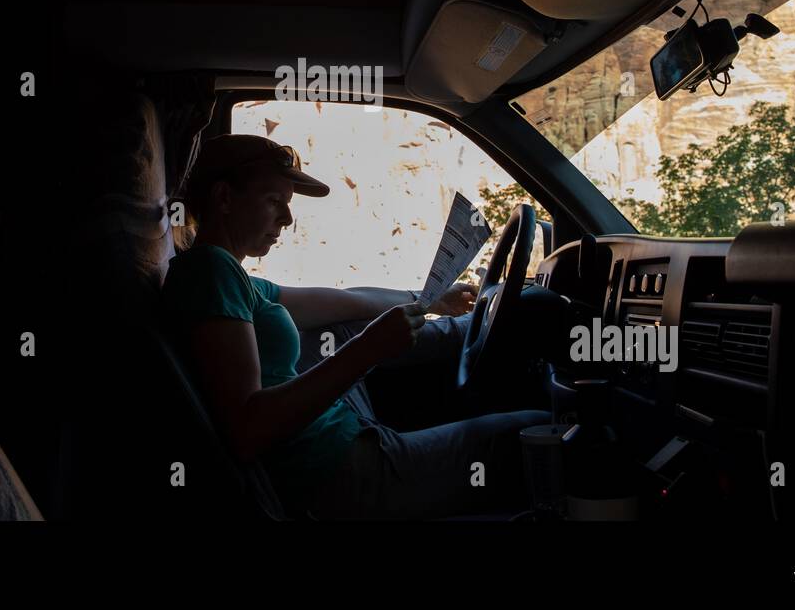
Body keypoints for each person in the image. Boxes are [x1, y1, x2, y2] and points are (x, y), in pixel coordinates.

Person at [158, 133, 551, 520]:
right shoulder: (210, 271)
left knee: (339, 325)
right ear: (224, 198)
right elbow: (248, 431)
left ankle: (469, 327)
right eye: (273, 201)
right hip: (335, 475)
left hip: (334, 432)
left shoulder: (230, 275)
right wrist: (369, 349)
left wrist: (426, 299)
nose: (288, 218)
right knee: (537, 431)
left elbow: (341, 301)